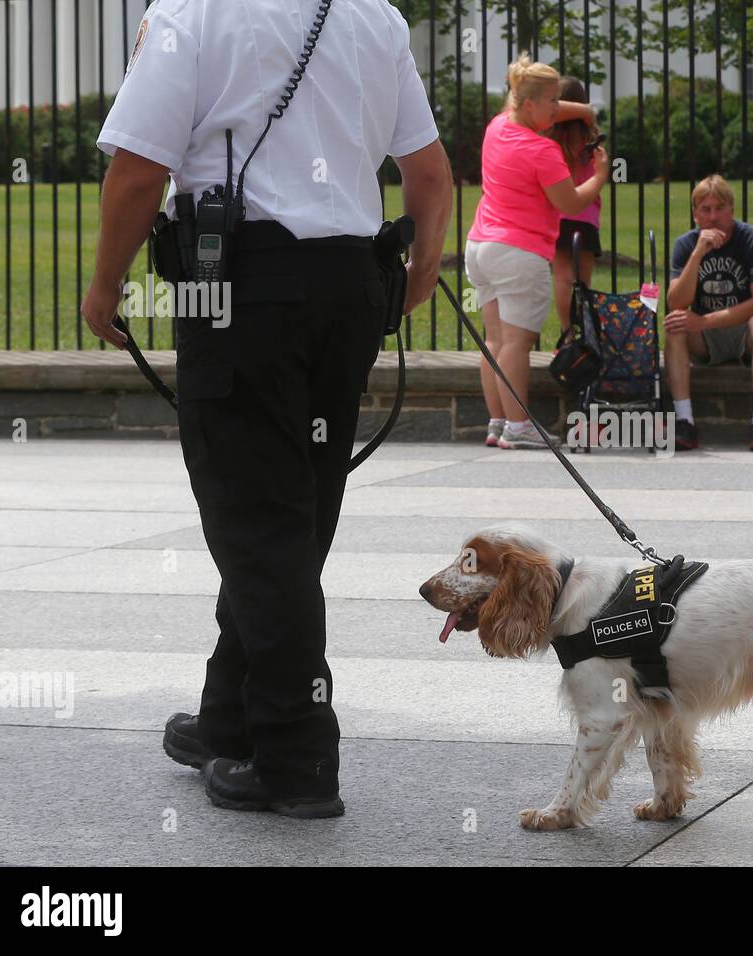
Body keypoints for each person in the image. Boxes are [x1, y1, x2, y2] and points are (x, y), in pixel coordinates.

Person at [81, 0, 452, 817]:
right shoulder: (373, 15)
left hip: (241, 289)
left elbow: (140, 169)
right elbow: (428, 173)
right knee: (294, 509)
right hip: (349, 289)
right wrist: (419, 270)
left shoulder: (191, 13)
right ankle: (233, 717)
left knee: (260, 518)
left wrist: (106, 281)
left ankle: (295, 753)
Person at [466, 55, 608, 449]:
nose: (557, 110)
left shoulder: (498, 126)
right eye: (551, 103)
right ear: (529, 104)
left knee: (494, 341)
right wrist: (599, 176)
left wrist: (584, 108)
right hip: (518, 252)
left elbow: (552, 105)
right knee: (515, 343)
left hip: (480, 247)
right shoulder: (541, 150)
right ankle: (519, 426)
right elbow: (571, 203)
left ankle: (497, 422)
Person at [666, 175, 753, 452]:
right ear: (695, 214)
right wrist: (697, 255)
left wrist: (704, 320)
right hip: (707, 338)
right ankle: (684, 421)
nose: (713, 217)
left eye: (720, 208)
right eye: (706, 209)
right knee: (674, 325)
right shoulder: (685, 245)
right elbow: (675, 302)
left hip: (746, 332)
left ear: (732, 210)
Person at [547, 76, 603, 337]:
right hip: (587, 217)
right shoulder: (592, 140)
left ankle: (568, 333)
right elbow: (599, 176)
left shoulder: (550, 141)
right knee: (584, 281)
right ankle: (587, 333)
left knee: (562, 278)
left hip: (559, 215)